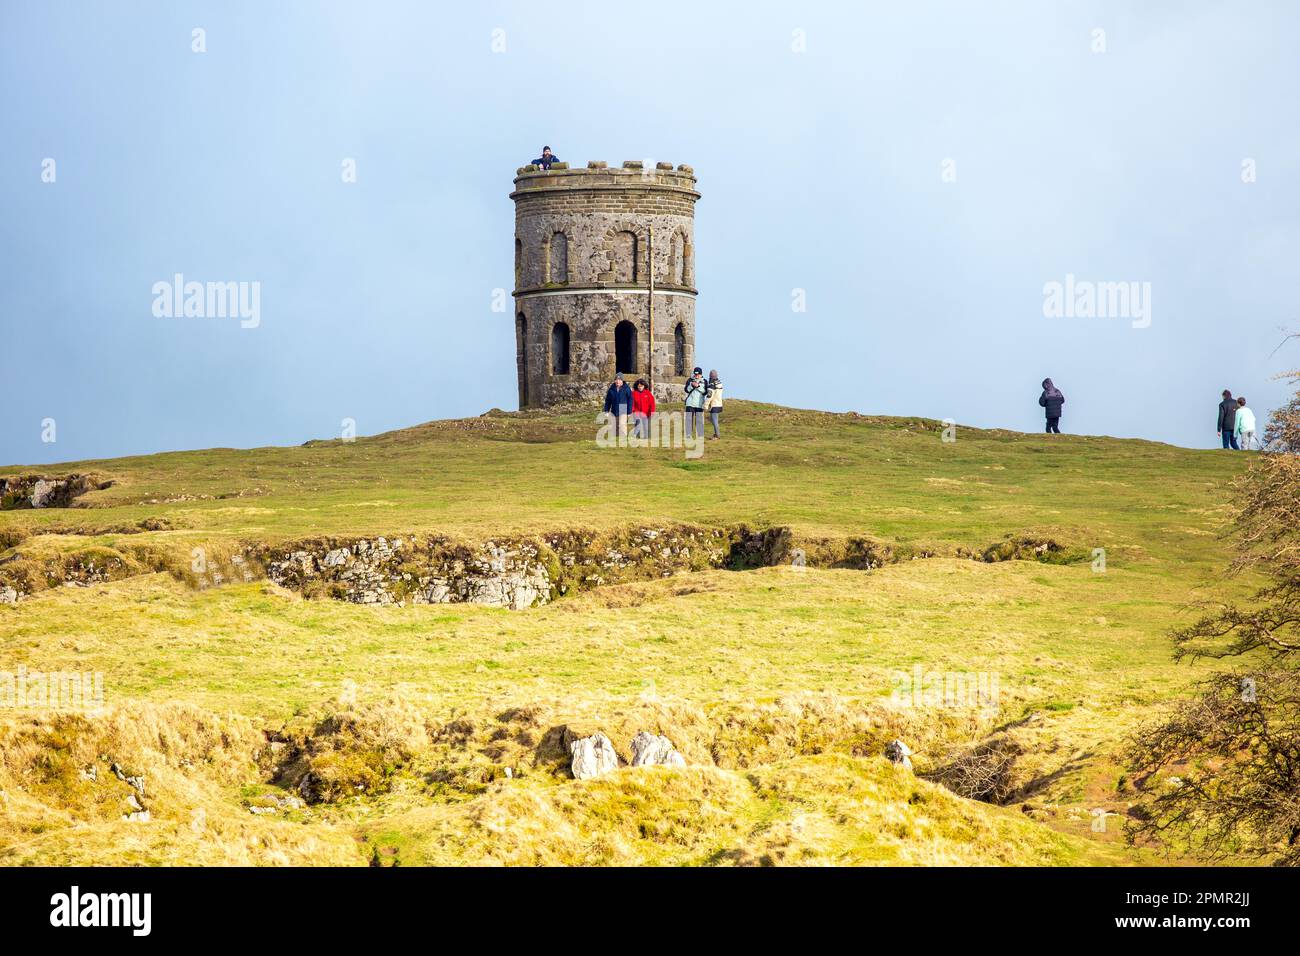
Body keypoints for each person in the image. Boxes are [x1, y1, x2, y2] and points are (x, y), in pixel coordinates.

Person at [603, 373, 632, 439]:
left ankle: (623, 438)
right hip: (614, 408)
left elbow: (630, 400)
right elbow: (608, 401)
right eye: (616, 379)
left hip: (623, 408)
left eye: (619, 380)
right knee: (614, 425)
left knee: (622, 424)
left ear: (622, 381)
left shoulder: (626, 388)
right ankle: (615, 438)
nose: (617, 381)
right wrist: (606, 410)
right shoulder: (611, 389)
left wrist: (629, 412)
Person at [684, 367, 707, 439]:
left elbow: (705, 392)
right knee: (689, 419)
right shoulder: (690, 380)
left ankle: (699, 435)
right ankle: (688, 435)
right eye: (695, 374)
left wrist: (698, 386)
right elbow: (686, 390)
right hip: (690, 403)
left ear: (701, 374)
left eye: (698, 374)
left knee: (699, 420)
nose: (696, 376)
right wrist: (691, 385)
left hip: (699, 404)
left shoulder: (705, 381)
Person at [704, 369, 723, 440]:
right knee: (715, 420)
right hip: (719, 404)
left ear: (710, 376)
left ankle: (717, 435)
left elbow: (709, 396)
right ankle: (716, 434)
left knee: (714, 420)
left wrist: (705, 405)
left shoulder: (712, 385)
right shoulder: (719, 383)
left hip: (714, 405)